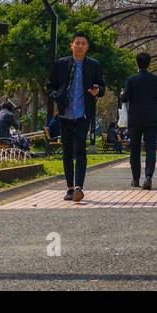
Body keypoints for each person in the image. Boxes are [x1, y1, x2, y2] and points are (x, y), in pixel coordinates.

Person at [47, 30, 105, 203]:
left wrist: (98, 91)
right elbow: (50, 85)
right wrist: (57, 96)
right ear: (71, 44)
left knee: (80, 147)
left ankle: (79, 186)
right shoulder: (61, 64)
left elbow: (102, 87)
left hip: (83, 113)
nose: (80, 45)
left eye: (83, 43)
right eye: (77, 42)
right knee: (67, 150)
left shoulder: (94, 65)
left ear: (87, 47)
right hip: (65, 113)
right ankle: (70, 188)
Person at [121, 51, 157, 189]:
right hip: (152, 119)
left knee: (135, 149)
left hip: (135, 119)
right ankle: (148, 177)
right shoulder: (156, 80)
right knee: (151, 148)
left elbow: (125, 98)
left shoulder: (131, 80)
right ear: (149, 63)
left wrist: (122, 94)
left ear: (136, 63)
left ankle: (135, 179)